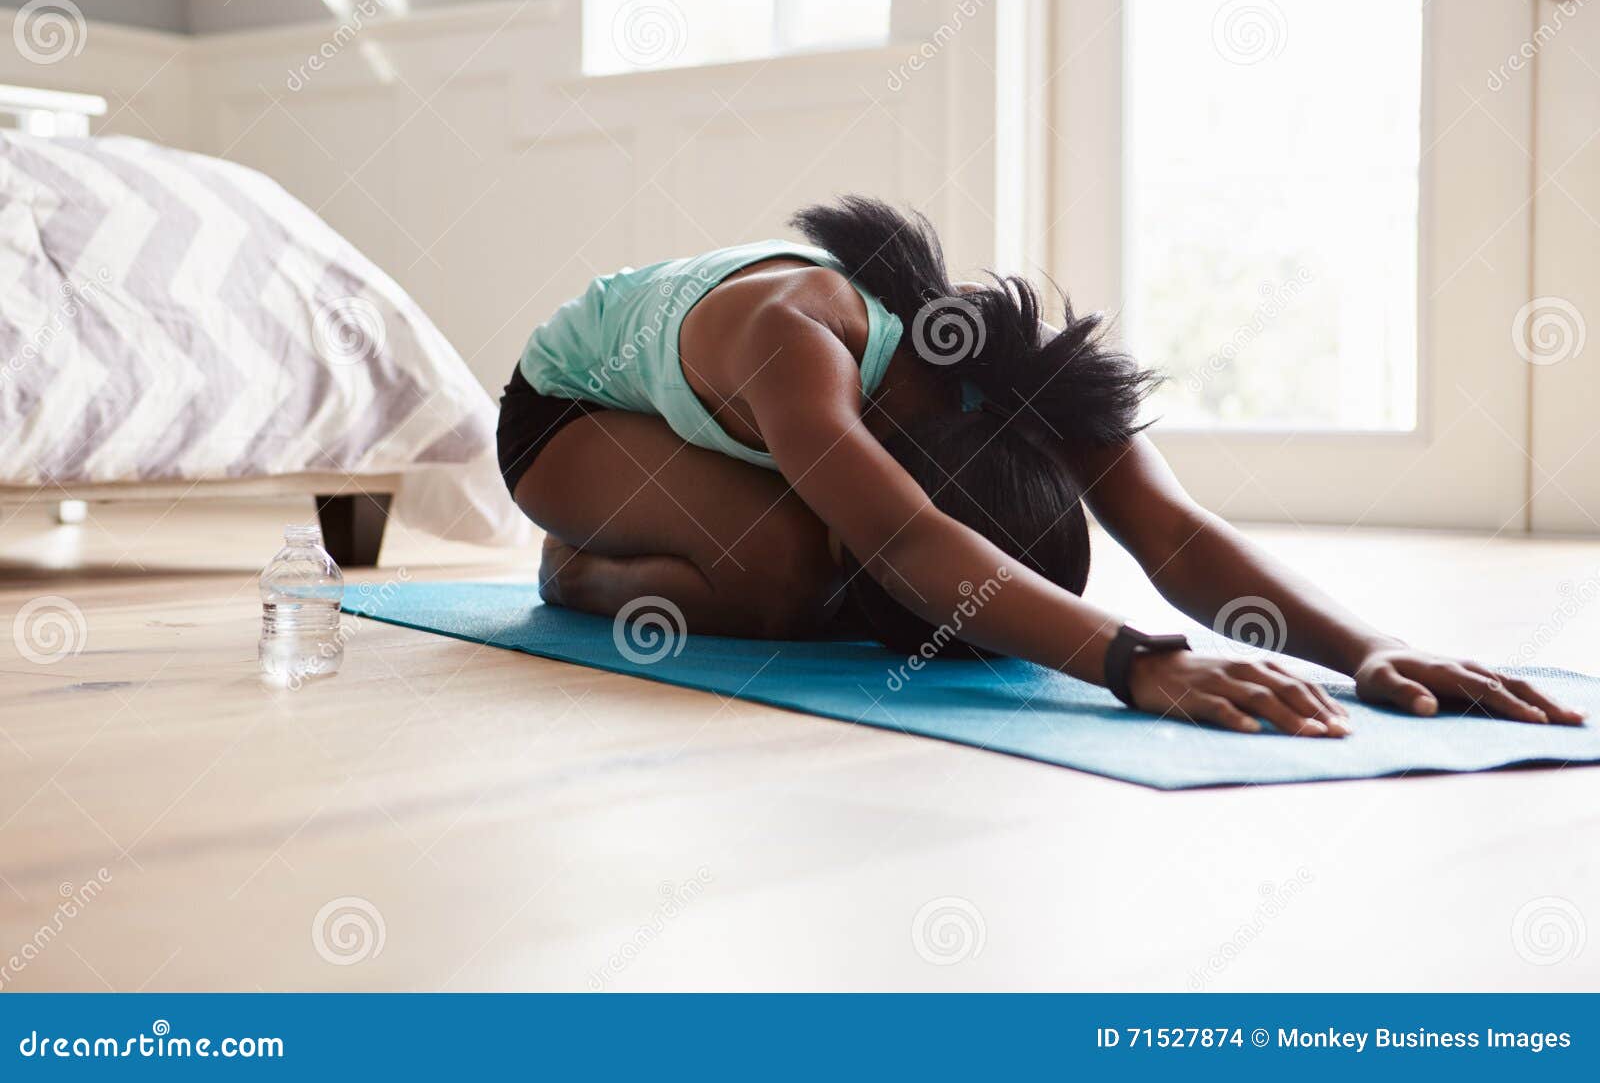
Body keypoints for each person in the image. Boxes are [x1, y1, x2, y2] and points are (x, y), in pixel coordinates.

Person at [496, 196, 1584, 736]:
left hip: (765, 442)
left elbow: (1176, 532)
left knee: (831, 560)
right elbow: (906, 536)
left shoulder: (1027, 386)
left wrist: (1371, 647)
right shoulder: (795, 337)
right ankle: (580, 569)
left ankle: (753, 542)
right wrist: (1134, 663)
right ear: (904, 465)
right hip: (572, 420)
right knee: (788, 572)